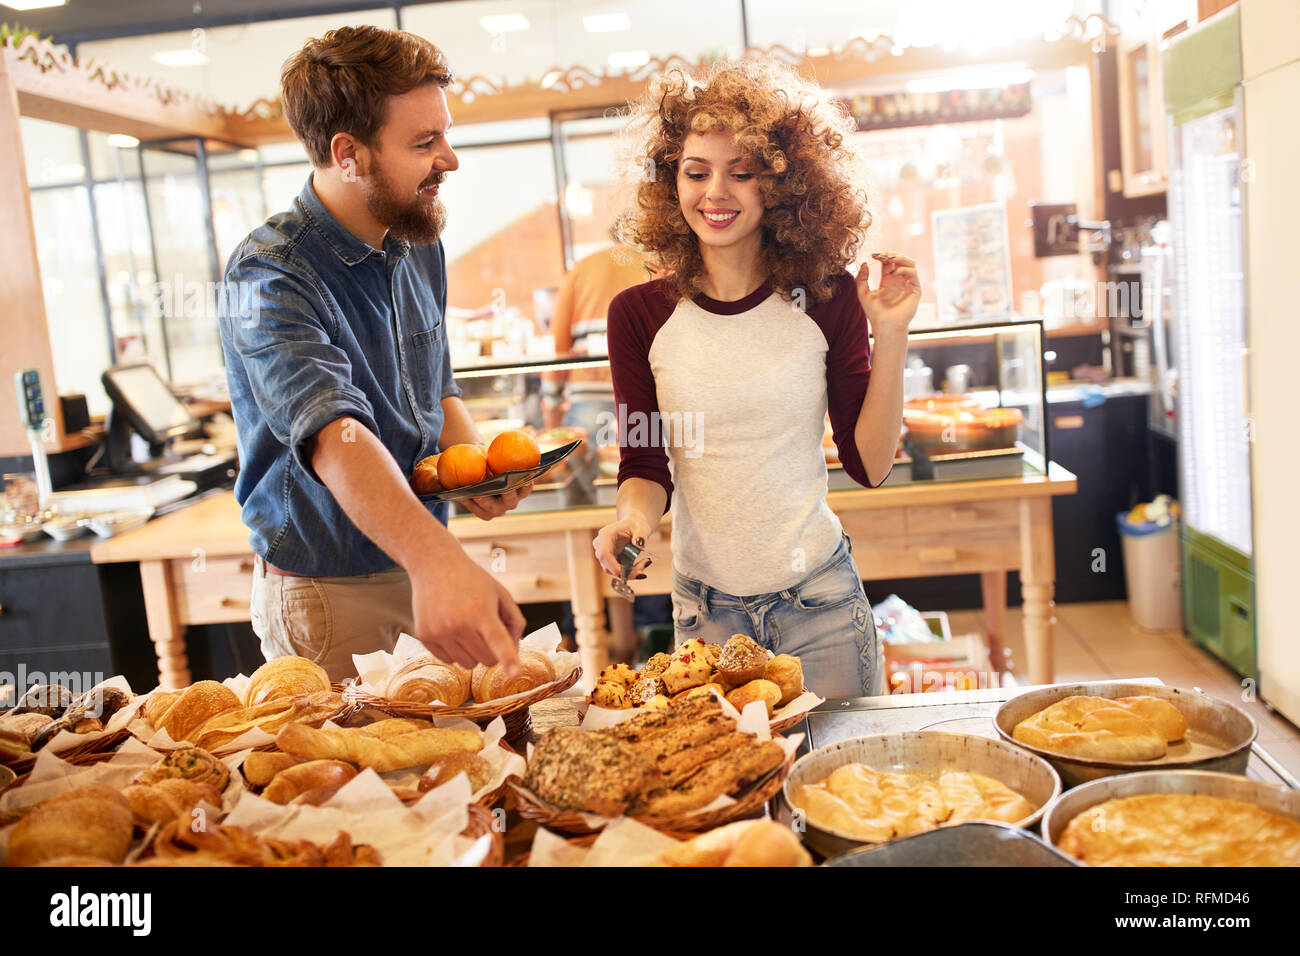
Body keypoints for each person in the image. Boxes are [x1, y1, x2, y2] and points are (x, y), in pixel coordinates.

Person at [592, 60, 921, 699]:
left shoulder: (825, 299)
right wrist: (630, 523)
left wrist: (893, 333)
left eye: (742, 173)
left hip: (819, 606)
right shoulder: (638, 315)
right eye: (697, 172)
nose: (717, 192)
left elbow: (869, 464)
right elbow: (645, 462)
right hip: (705, 616)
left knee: (837, 793)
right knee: (729, 795)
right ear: (671, 183)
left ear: (783, 185)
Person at [218, 25, 529, 680]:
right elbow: (335, 436)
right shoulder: (269, 274)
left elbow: (437, 387)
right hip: (329, 596)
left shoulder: (418, 240)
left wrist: (471, 476)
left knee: (460, 772)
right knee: (365, 781)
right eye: (424, 143)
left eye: (444, 133)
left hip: (420, 560)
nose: (450, 158)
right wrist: (436, 558)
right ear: (348, 153)